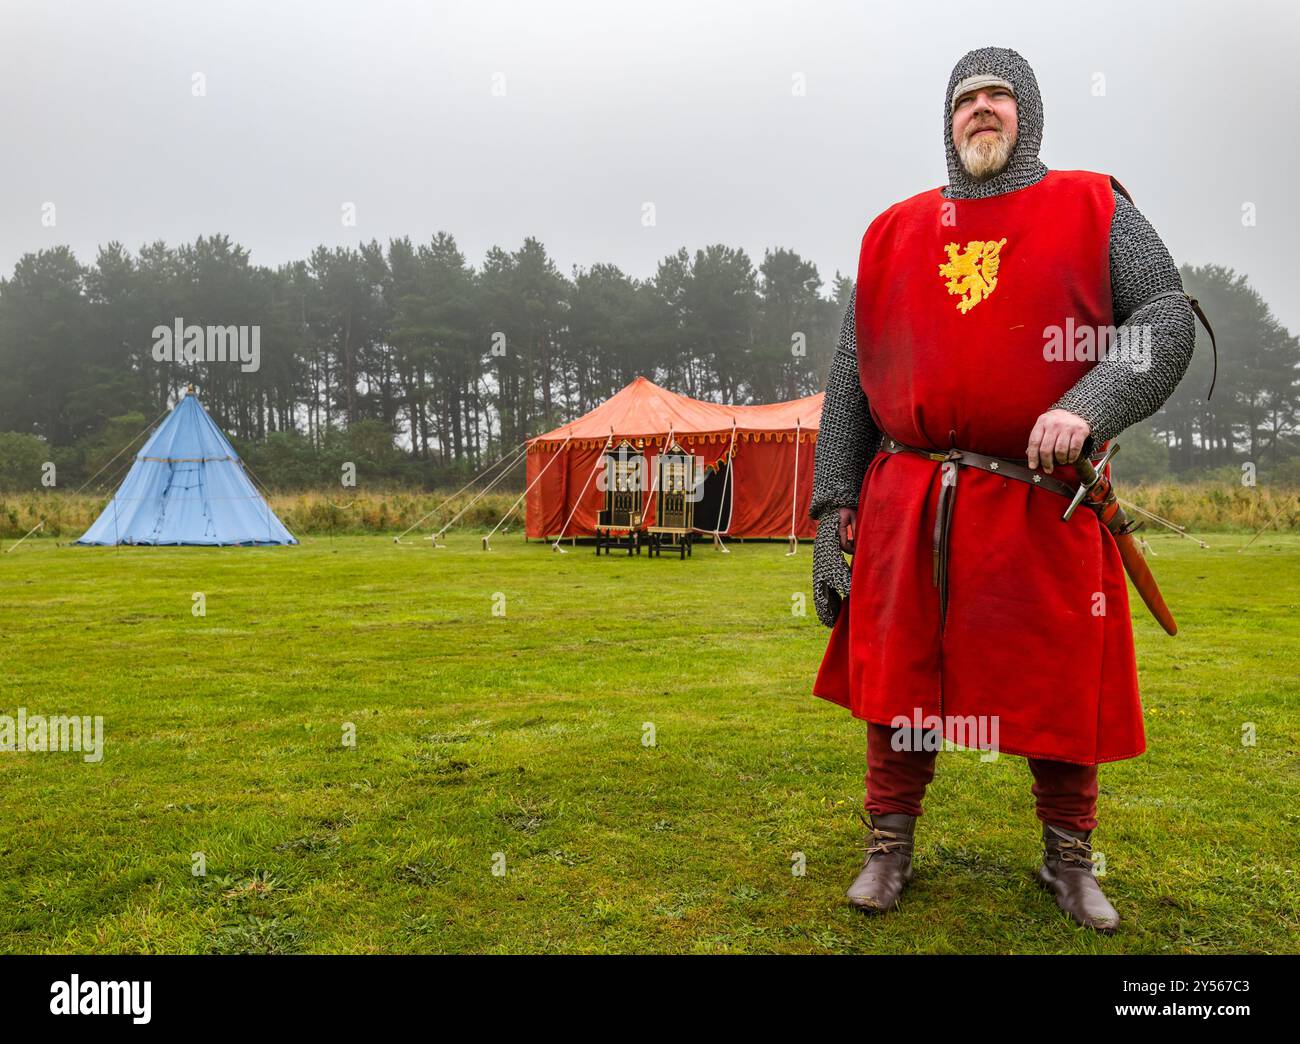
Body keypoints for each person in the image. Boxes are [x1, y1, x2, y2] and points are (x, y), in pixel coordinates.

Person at [809, 46, 1198, 933]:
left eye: (998, 98)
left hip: (1040, 494)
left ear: (1029, 114)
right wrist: (834, 509)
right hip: (908, 496)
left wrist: (1089, 404)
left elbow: (1165, 317)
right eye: (965, 101)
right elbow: (850, 380)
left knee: (1061, 681)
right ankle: (888, 848)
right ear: (947, 124)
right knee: (901, 679)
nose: (981, 111)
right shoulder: (894, 231)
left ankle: (1069, 861)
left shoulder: (1091, 206)